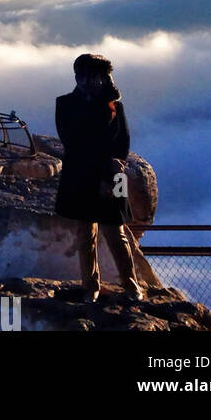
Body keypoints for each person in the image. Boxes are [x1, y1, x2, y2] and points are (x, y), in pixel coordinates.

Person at [54, 53, 144, 303]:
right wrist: (106, 163)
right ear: (79, 76)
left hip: (113, 176)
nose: (97, 80)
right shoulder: (65, 104)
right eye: (93, 74)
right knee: (86, 233)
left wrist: (117, 164)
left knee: (116, 232)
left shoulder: (115, 105)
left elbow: (123, 139)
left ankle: (131, 285)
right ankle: (90, 286)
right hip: (83, 174)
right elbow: (72, 141)